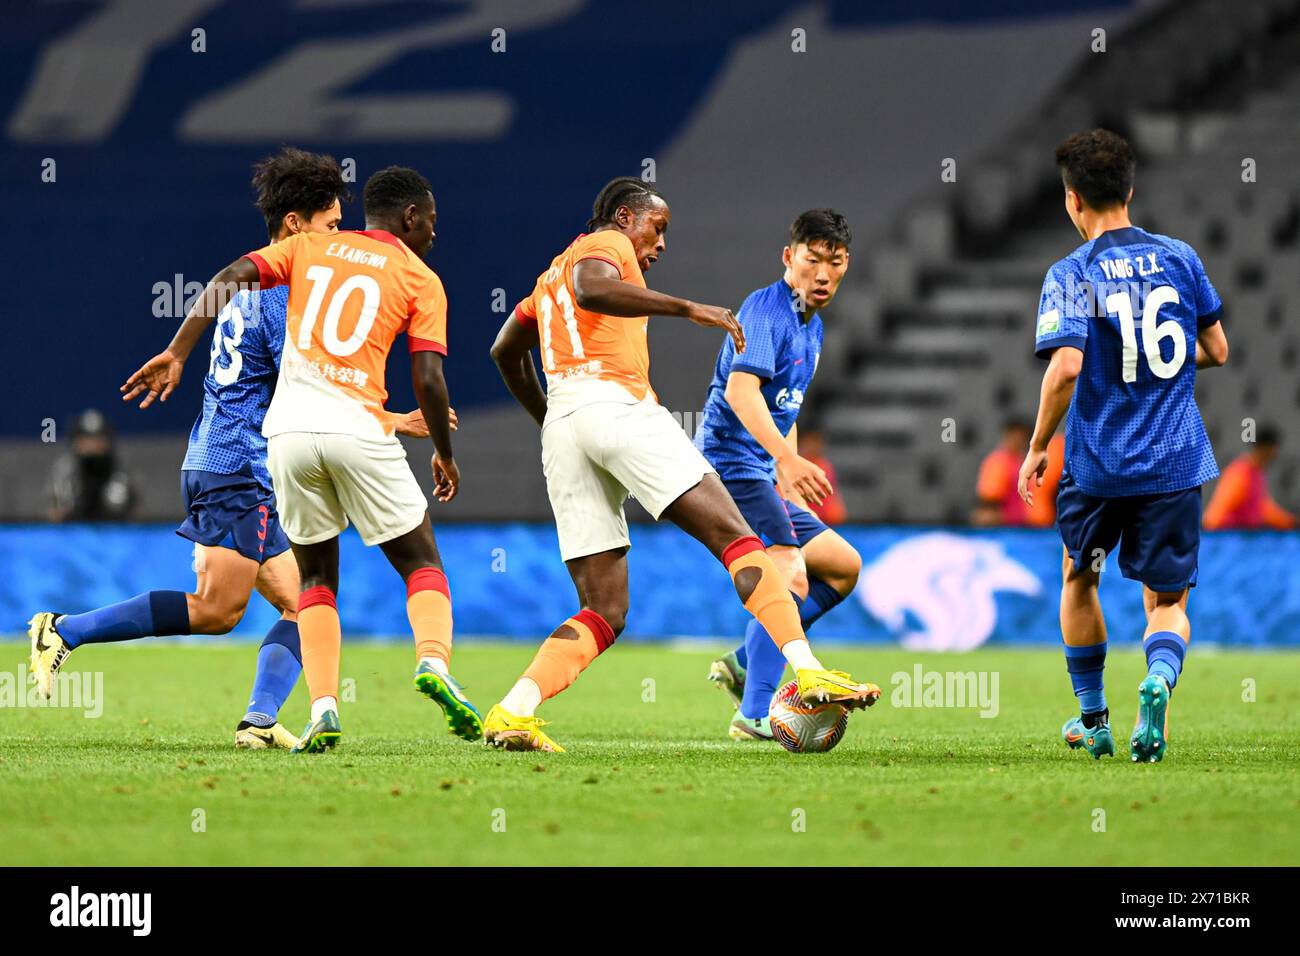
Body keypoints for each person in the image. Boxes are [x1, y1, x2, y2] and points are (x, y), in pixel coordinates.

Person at [27, 149, 424, 749]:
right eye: (332, 225)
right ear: (297, 224)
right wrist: (394, 420)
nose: (341, 237)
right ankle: (66, 630)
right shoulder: (287, 295)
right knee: (220, 610)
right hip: (239, 463)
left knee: (302, 601)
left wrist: (179, 351)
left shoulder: (255, 284)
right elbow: (320, 390)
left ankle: (258, 722)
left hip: (223, 458)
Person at [487, 178, 880, 752]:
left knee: (605, 608)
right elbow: (592, 287)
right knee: (739, 541)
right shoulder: (607, 247)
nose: (661, 244)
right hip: (618, 404)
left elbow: (505, 350)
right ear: (625, 217)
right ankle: (804, 669)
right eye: (657, 227)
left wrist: (549, 417)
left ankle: (513, 709)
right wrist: (685, 307)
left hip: (566, 425)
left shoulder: (546, 278)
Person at [1018, 129, 1229, 763]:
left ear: (1073, 201)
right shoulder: (1181, 257)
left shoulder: (1071, 272)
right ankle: (1159, 680)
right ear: (1130, 191)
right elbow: (1216, 350)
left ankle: (1094, 719)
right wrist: (1151, 361)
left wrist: (1036, 447)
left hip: (1100, 462)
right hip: (1175, 460)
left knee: (1078, 576)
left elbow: (1065, 368)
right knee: (1167, 601)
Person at [695, 209, 865, 741]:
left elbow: (781, 410)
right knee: (790, 572)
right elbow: (743, 393)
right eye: (811, 260)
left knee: (842, 566)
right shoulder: (766, 311)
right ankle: (754, 712)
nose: (822, 273)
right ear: (788, 259)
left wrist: (785, 475)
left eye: (833, 263)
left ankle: (749, 659)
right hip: (729, 467)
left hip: (760, 472)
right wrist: (786, 462)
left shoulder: (811, 326)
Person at [47, 409, 136, 522]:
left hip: (113, 534)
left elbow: (135, 517)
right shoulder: (64, 471)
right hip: (73, 535)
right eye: (86, 439)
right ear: (75, 441)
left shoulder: (120, 471)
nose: (93, 446)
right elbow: (54, 516)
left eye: (99, 439)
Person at [1203, 425, 1296, 529]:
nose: (1275, 455)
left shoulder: (1256, 473)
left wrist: (1290, 522)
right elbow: (1216, 516)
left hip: (1244, 537)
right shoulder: (1241, 472)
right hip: (1230, 538)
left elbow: (1263, 508)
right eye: (1274, 449)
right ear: (1265, 447)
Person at [973, 419, 1032, 526]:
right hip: (1006, 527)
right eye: (1014, 436)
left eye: (1022, 436)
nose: (1018, 440)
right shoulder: (998, 462)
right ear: (1007, 436)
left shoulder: (1026, 461)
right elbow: (989, 500)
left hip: (1029, 527)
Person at [797, 427, 847, 525]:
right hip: (803, 517)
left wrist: (835, 511)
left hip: (825, 519)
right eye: (809, 442)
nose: (813, 446)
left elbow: (831, 494)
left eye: (816, 442)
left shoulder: (825, 465)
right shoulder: (795, 467)